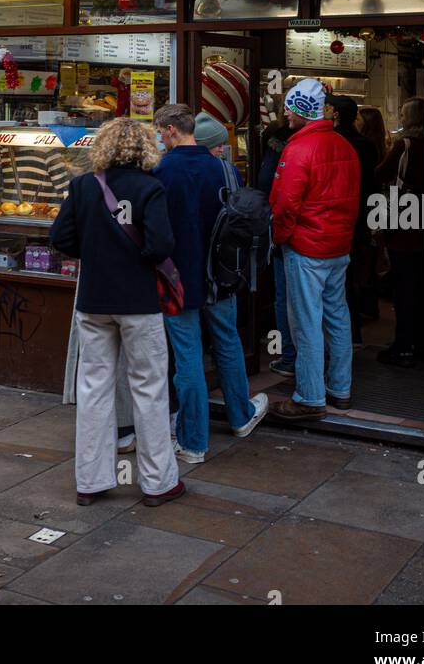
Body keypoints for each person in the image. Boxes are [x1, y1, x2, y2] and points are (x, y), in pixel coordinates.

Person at [50, 117, 185, 507]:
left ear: (104, 147)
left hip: (94, 300)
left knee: (93, 390)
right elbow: (161, 244)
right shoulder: (150, 188)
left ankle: (90, 481)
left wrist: (94, 253)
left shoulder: (82, 185)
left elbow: (59, 237)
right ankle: (158, 483)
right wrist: (137, 258)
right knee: (150, 389)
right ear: (146, 148)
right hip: (139, 302)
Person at [153, 103, 268, 464]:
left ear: (172, 130)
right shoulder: (226, 171)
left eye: (160, 130)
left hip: (176, 279)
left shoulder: (159, 172)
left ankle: (192, 443)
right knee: (227, 343)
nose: (158, 137)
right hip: (221, 276)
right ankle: (240, 416)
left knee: (187, 357)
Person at [266, 78, 361, 421]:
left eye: (291, 108)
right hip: (338, 245)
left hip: (307, 246)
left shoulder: (299, 148)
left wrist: (279, 236)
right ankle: (341, 389)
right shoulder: (343, 146)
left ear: (301, 111)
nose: (286, 115)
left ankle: (309, 395)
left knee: (305, 322)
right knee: (337, 316)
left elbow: (286, 203)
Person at [374, 97, 424, 367]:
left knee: (404, 288)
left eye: (404, 114)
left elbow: (381, 174)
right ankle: (422, 343)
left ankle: (404, 345)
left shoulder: (403, 145)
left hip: (404, 221)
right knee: (421, 287)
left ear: (411, 118)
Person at [327, 95, 379, 345]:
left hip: (336, 218)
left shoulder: (333, 142)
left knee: (336, 281)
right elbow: (373, 184)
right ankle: (353, 329)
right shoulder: (367, 145)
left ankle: (341, 336)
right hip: (360, 217)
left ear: (335, 113)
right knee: (351, 275)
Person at [257, 115, 296, 378]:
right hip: (332, 239)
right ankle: (337, 379)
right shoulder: (334, 143)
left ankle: (291, 357)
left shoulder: (281, 147)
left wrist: (277, 233)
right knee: (329, 305)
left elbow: (268, 186)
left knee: (287, 297)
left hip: (293, 235)